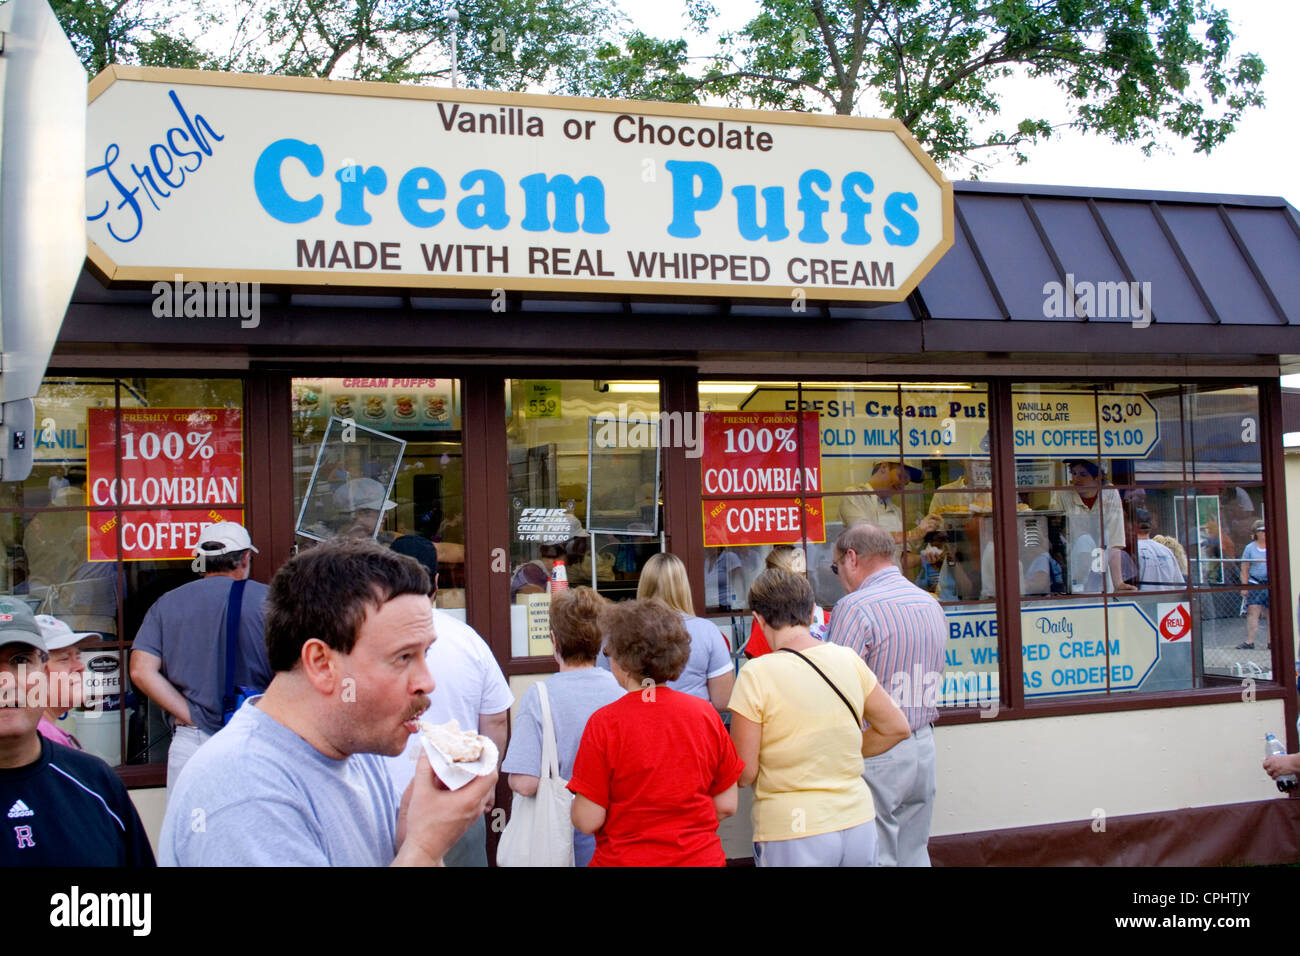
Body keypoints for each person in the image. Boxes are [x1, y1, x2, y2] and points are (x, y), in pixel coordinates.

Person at [159, 538, 496, 866]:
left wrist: (407, 832)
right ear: (321, 664)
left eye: (426, 653)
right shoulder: (243, 792)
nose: (427, 682)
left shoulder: (353, 745)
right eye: (403, 657)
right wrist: (423, 849)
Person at [728, 570, 910, 866]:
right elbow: (896, 727)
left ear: (759, 619)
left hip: (792, 827)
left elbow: (745, 771)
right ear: (813, 612)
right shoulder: (848, 659)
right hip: (857, 819)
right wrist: (837, 749)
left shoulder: (755, 674)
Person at [568, 598, 744, 866]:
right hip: (699, 858)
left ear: (622, 660)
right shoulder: (705, 715)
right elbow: (727, 804)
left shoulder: (605, 723)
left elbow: (588, 819)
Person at [825, 522, 947, 866]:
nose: (839, 577)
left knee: (875, 854)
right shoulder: (930, 603)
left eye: (836, 568)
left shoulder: (855, 606)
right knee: (913, 851)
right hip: (923, 744)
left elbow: (835, 687)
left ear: (851, 558)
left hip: (877, 747)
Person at [0, 598, 154, 866]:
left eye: (21, 661)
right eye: (65, 657)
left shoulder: (96, 782)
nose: (6, 682)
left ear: (42, 671)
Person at [386, 545, 512, 867]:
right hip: (457, 799)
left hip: (384, 798)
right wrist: (489, 776)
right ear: (437, 582)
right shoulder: (467, 640)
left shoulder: (371, 641)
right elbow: (496, 719)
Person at [129, 521, 274, 790]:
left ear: (202, 561)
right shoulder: (270, 602)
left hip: (191, 742)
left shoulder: (168, 603)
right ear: (245, 558)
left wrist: (189, 713)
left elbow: (140, 670)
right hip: (256, 735)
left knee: (191, 831)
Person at [501, 587, 623, 866]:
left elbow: (525, 782)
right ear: (600, 640)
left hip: (557, 842)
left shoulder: (539, 696)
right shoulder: (621, 692)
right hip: (612, 843)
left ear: (554, 640)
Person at [600, 552, 733, 711]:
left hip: (635, 724)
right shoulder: (707, 631)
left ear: (644, 584)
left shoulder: (618, 630)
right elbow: (724, 700)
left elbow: (605, 691)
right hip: (691, 725)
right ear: (683, 587)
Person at [1050, 459, 1132, 593]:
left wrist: (1119, 583)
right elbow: (1056, 535)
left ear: (1098, 476)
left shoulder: (1110, 493)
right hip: (1072, 568)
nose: (1077, 479)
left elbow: (1114, 539)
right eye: (1074, 473)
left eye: (1083, 474)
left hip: (1101, 570)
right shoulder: (1062, 495)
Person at [838, 461, 939, 570]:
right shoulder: (854, 496)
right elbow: (865, 538)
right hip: (866, 584)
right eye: (901, 476)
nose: (903, 484)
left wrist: (924, 558)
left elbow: (899, 560)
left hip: (890, 584)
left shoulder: (896, 511)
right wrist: (915, 534)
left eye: (906, 482)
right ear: (884, 467)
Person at [743, 545, 826, 659]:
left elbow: (757, 664)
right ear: (805, 575)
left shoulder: (764, 620)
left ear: (770, 577)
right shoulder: (826, 618)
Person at [34, 614, 99, 750]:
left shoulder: (42, 733)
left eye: (78, 656)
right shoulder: (40, 740)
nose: (80, 666)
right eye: (64, 659)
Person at [1132, 510, 1185, 591]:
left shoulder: (1132, 551)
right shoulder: (1166, 551)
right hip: (1168, 602)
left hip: (1142, 602)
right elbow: (1180, 587)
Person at [1237, 519, 1269, 650]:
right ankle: (1250, 641)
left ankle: (1271, 642)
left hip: (1270, 583)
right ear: (1256, 533)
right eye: (1261, 530)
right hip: (1255, 582)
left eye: (1265, 530)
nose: (1264, 533)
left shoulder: (1272, 545)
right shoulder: (1249, 548)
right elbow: (1244, 568)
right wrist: (1245, 586)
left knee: (1270, 613)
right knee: (1253, 611)